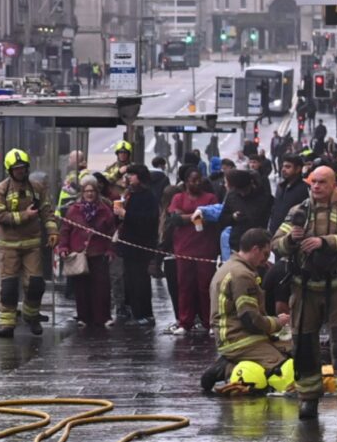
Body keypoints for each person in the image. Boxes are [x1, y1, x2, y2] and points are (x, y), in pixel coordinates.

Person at [274, 164, 337, 420]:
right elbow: (276, 244)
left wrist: (325, 242)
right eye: (313, 182)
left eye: (321, 182)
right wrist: (291, 240)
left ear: (333, 185)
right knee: (303, 345)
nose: (316, 187)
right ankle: (308, 399)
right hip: (304, 290)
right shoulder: (298, 212)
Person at [205, 229, 292, 396]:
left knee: (289, 349)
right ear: (255, 249)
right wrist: (277, 323)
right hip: (240, 339)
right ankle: (227, 369)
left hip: (235, 336)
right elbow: (250, 319)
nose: (266, 261)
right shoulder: (242, 275)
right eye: (265, 254)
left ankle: (231, 364)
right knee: (284, 372)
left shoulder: (231, 266)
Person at [0, 149, 55, 337]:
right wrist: (25, 215)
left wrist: (52, 230)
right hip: (8, 246)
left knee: (36, 284)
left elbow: (47, 211)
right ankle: (7, 323)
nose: (20, 172)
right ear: (9, 170)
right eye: (17, 169)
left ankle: (30, 316)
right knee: (9, 287)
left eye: (23, 168)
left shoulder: (37, 188)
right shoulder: (0, 190)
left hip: (32, 245)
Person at [164, 166, 221, 336]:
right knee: (185, 286)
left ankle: (209, 321)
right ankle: (185, 321)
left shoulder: (210, 197)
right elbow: (174, 218)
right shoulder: (178, 197)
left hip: (205, 248)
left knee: (206, 286)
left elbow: (215, 216)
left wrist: (186, 216)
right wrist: (195, 215)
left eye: (199, 180)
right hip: (183, 247)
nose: (196, 183)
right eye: (192, 180)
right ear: (186, 181)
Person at [57, 176, 117, 330]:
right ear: (82, 193)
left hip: (99, 253)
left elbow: (111, 232)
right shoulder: (73, 210)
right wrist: (63, 248)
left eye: (92, 191)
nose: (89, 194)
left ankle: (103, 317)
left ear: (97, 192)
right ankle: (83, 317)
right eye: (86, 191)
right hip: (79, 254)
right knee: (81, 288)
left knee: (101, 287)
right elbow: (65, 230)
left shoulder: (105, 210)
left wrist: (110, 250)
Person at [115, 165, 159, 326]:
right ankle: (136, 312)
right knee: (131, 280)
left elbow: (148, 220)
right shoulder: (130, 194)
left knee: (140, 281)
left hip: (141, 245)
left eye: (132, 175)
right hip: (129, 244)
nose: (129, 178)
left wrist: (126, 215)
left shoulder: (148, 196)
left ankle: (143, 314)